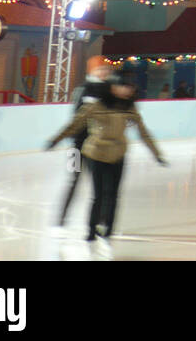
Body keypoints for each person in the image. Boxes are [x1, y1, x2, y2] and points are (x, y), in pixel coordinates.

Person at [46, 73, 165, 257]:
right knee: (75, 182)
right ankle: (61, 222)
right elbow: (74, 123)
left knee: (108, 193)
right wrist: (56, 139)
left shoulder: (125, 104)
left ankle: (104, 228)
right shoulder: (84, 91)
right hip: (78, 149)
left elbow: (143, 131)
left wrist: (156, 153)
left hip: (107, 151)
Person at [54, 56, 115, 231]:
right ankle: (62, 218)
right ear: (92, 71)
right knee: (74, 181)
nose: (104, 73)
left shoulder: (108, 91)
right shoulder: (83, 90)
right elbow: (78, 117)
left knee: (100, 184)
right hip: (78, 145)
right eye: (100, 69)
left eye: (106, 70)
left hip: (97, 146)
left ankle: (100, 220)